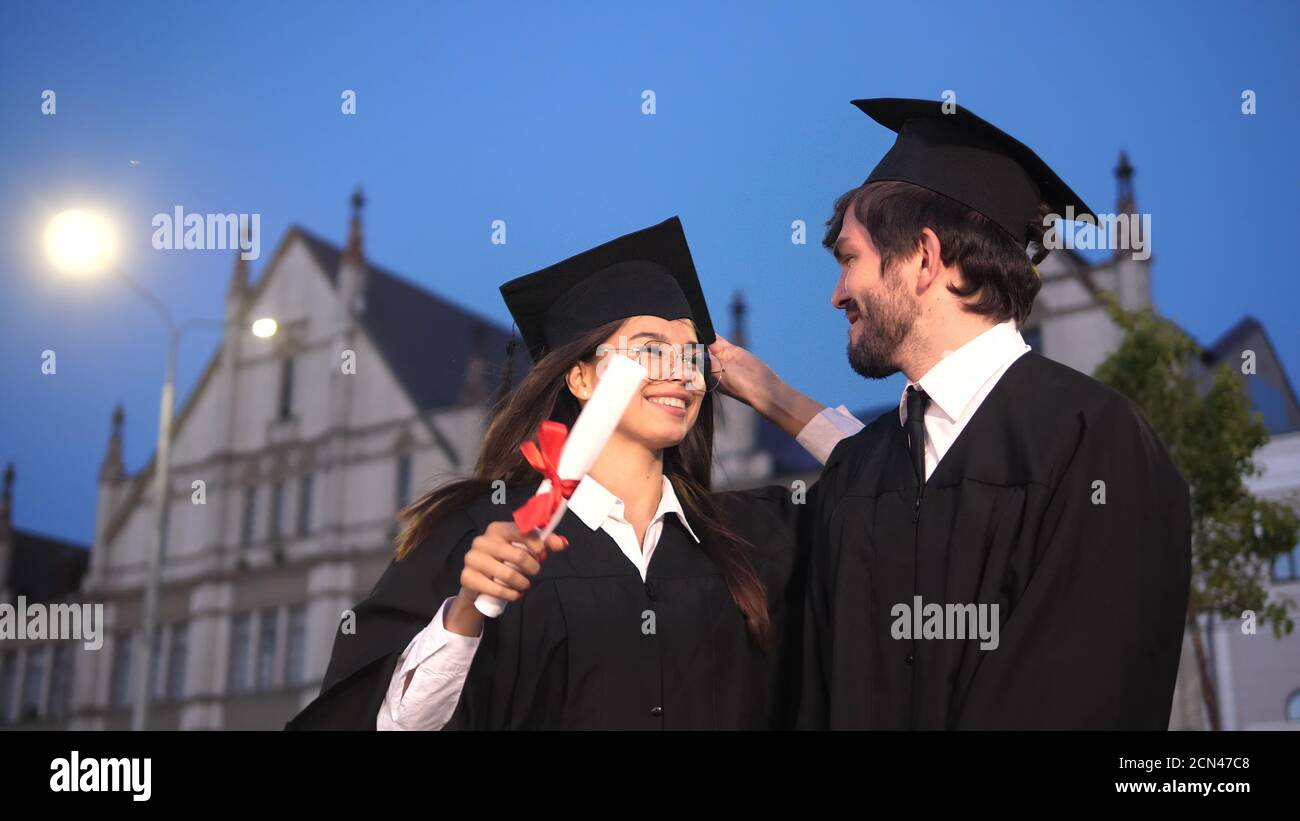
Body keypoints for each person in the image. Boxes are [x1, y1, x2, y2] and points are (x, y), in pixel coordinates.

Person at [712, 99, 1192, 729]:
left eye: (849, 259)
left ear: (924, 257)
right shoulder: (866, 471)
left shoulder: (1093, 445)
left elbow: (1086, 698)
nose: (836, 295)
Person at [285, 217, 841, 730]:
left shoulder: (755, 535)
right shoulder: (478, 535)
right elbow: (393, 725)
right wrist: (465, 611)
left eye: (691, 354)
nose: (680, 372)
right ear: (580, 379)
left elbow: (909, 494)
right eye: (650, 350)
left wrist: (775, 396)